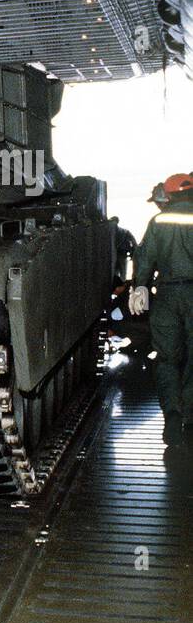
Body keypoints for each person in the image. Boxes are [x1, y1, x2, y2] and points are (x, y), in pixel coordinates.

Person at [130, 172, 193, 445]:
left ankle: (172, 415)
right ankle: (189, 414)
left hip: (167, 295)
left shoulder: (158, 221)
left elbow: (144, 258)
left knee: (167, 359)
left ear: (168, 196)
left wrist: (140, 286)